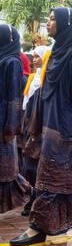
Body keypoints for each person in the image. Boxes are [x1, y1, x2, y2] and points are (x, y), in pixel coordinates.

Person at [10, 8, 72, 246]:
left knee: (48, 175)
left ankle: (37, 228)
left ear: (67, 23)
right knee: (67, 178)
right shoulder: (57, 52)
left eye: (53, 18)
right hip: (51, 122)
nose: (48, 21)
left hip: (65, 127)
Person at [0, 24, 33, 216]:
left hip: (4, 124)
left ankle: (33, 193)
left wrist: (11, 128)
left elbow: (14, 98)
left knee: (9, 173)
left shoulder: (12, 62)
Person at [21, 45, 51, 216]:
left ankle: (36, 200)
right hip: (28, 125)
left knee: (36, 166)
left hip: (39, 129)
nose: (34, 60)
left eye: (37, 57)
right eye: (32, 57)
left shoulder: (46, 79)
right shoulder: (33, 78)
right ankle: (31, 199)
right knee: (28, 166)